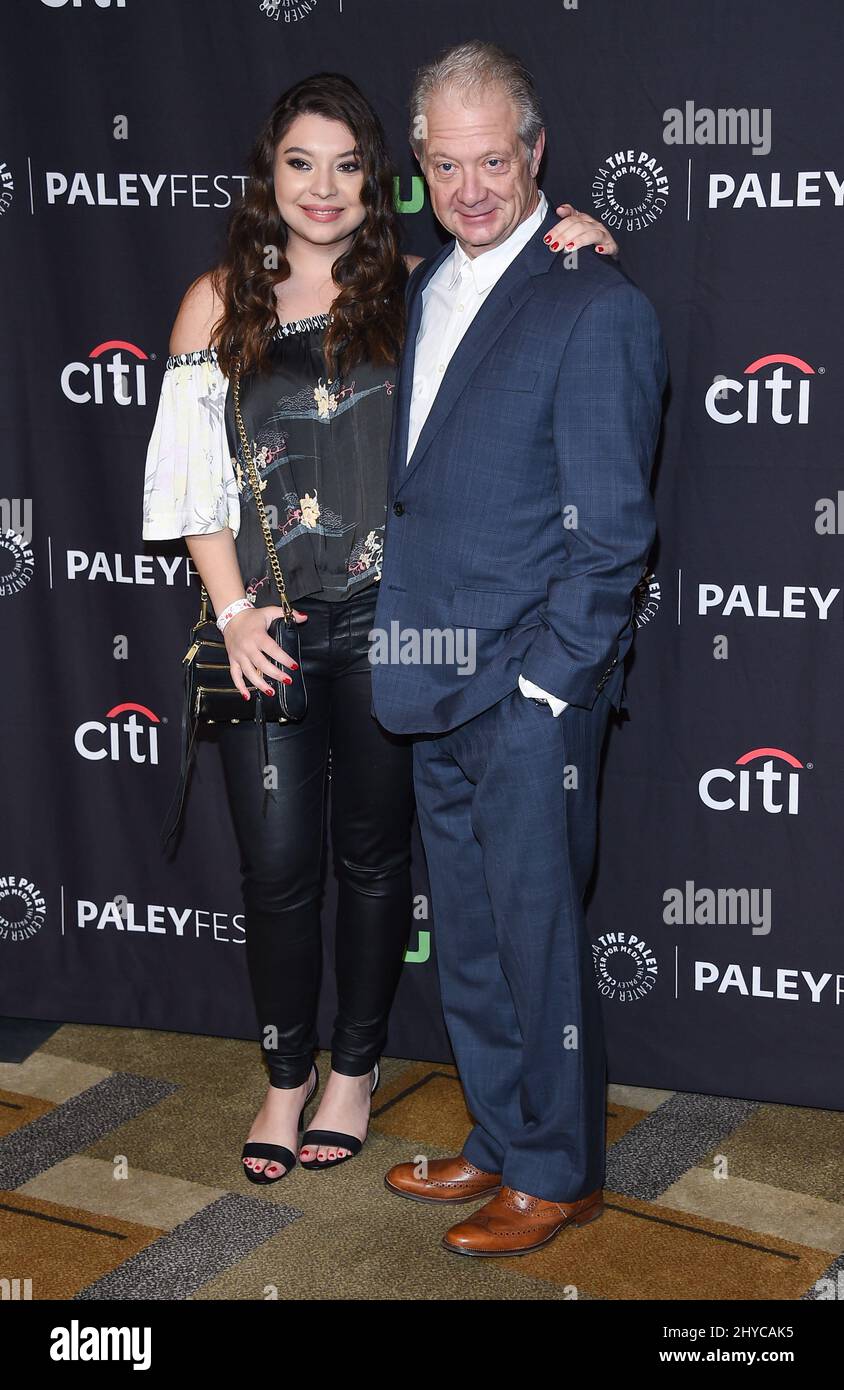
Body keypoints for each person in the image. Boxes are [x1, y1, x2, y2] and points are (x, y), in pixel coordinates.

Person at [142, 71, 618, 1185]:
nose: (323, 187)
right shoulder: (215, 299)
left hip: (397, 629)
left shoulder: (421, 286)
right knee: (276, 868)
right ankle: (284, 1076)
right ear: (270, 173)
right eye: (301, 163)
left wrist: (577, 231)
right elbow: (187, 482)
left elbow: (521, 285)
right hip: (261, 628)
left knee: (372, 862)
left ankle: (353, 1071)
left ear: (377, 180)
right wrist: (234, 607)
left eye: (347, 165)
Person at [372, 41, 668, 1256]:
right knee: (476, 940)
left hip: (524, 689)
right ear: (421, 169)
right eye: (447, 164)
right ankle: (498, 1136)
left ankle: (559, 1172)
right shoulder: (417, 286)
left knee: (536, 938)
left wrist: (552, 682)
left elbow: (613, 529)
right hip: (426, 669)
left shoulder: (595, 301)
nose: (473, 186)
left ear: (536, 153)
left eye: (495, 159)